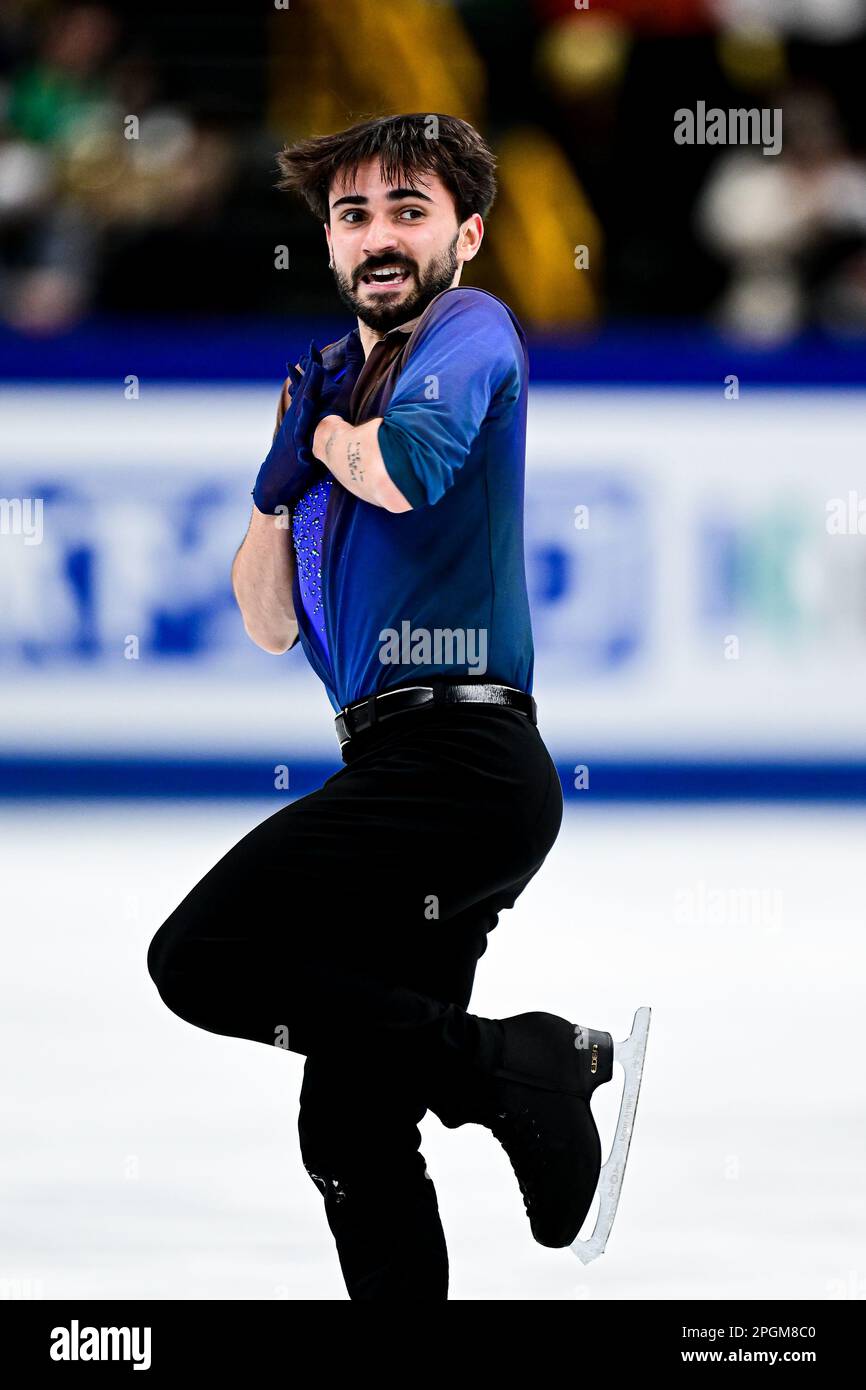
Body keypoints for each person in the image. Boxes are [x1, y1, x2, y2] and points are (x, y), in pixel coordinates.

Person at [146, 113, 649, 1300]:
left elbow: (406, 472)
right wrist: (273, 494)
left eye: (407, 211)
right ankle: (511, 1075)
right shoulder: (327, 378)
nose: (378, 237)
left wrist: (318, 437)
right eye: (353, 214)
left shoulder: (469, 330)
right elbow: (269, 622)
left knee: (202, 956)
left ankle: (511, 1062)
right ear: (326, 242)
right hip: (405, 771)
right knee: (353, 1134)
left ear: (464, 234)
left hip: (460, 763)